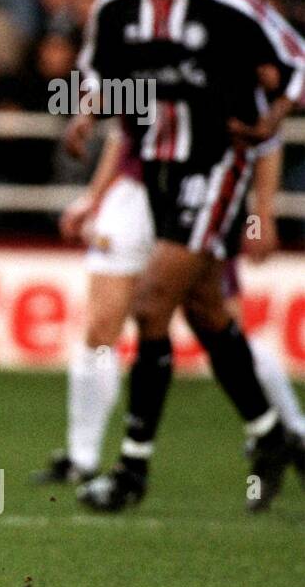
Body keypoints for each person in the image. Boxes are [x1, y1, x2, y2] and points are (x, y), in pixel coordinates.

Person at [66, 0, 305, 513]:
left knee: (150, 305)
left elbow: (296, 59)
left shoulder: (230, 7)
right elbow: (95, 72)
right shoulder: (116, 8)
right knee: (206, 314)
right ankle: (273, 433)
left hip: (217, 166)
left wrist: (275, 115)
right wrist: (86, 116)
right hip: (157, 174)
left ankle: (132, 469)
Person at [36, 119, 305, 488]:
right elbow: (122, 127)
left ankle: (295, 433)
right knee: (100, 329)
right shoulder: (136, 67)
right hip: (133, 194)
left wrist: (261, 214)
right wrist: (94, 197)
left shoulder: (227, 68)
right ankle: (82, 458)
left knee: (220, 322)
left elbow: (266, 131)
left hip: (201, 193)